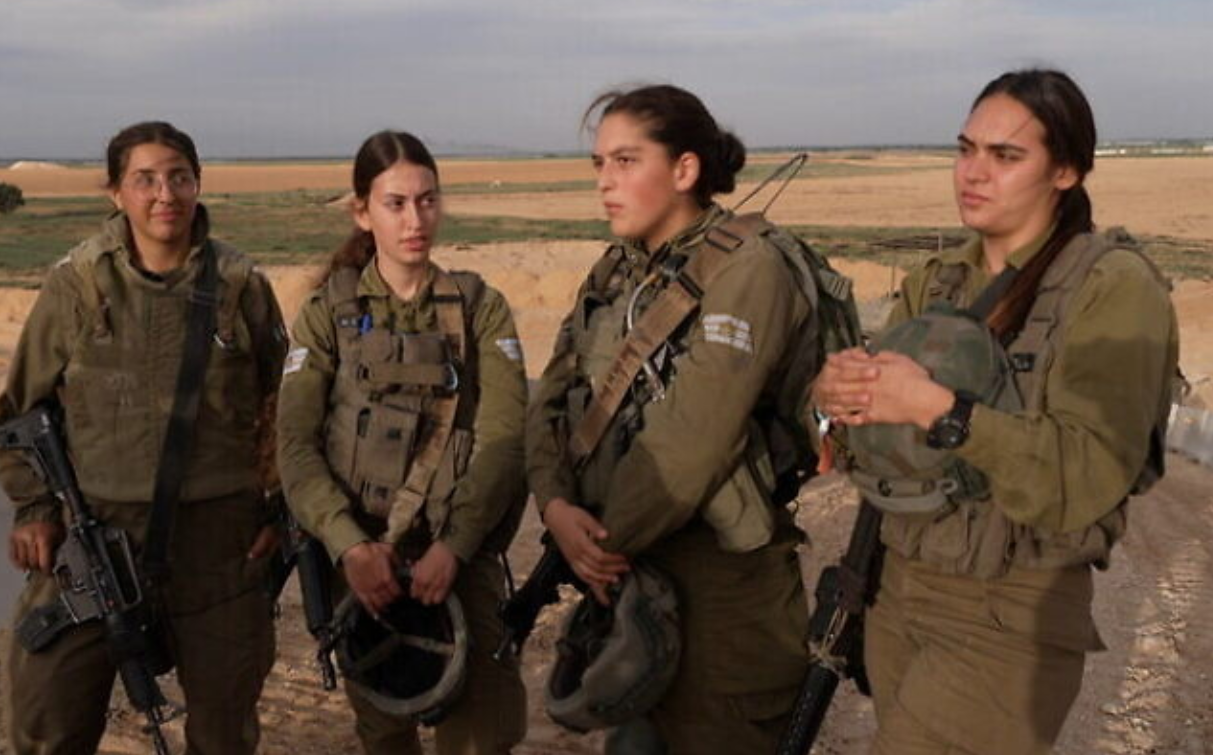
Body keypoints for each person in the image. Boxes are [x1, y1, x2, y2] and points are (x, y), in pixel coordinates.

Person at [813, 69, 1180, 755]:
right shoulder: (938, 280)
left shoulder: (1111, 287)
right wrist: (836, 397)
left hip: (1004, 609)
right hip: (893, 587)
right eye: (964, 150)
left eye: (1004, 156)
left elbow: (1085, 472)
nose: (972, 173)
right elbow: (876, 437)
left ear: (1065, 170)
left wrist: (937, 408)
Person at [527, 84, 818, 753]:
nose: (605, 182)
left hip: (721, 600)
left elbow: (692, 438)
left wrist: (594, 544)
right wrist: (552, 506)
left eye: (625, 161)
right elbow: (551, 397)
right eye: (598, 164)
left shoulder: (750, 268)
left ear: (684, 170)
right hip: (630, 583)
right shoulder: (616, 271)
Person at [0, 121, 286, 754]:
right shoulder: (76, 285)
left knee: (223, 732)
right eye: (145, 179)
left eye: (179, 176)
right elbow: (20, 409)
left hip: (219, 545)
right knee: (45, 720)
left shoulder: (242, 286)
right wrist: (35, 508)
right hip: (93, 535)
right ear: (115, 192)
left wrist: (280, 509)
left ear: (198, 184)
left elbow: (283, 409)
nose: (166, 194)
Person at [276, 130, 528, 754]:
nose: (415, 220)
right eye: (395, 203)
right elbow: (295, 445)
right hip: (366, 564)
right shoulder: (328, 313)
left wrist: (457, 546)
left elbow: (503, 438)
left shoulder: (479, 308)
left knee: (485, 733)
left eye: (427, 200)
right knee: (386, 729)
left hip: (456, 557)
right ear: (362, 211)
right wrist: (349, 545)